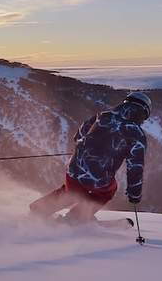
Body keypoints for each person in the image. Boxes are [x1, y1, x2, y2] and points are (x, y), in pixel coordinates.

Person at [29, 92, 150, 223]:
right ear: (143, 113)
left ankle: (41, 208)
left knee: (72, 190)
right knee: (107, 190)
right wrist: (134, 194)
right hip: (98, 180)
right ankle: (76, 218)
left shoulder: (102, 116)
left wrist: (90, 149)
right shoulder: (137, 135)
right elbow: (135, 168)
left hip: (74, 170)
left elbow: (78, 136)